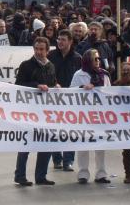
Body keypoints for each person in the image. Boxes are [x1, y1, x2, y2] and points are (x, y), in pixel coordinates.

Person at [14, 37, 57, 187]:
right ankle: (20, 176)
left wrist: (55, 85)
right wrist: (36, 85)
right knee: (26, 144)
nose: (38, 52)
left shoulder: (51, 66)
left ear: (47, 50)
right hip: (29, 111)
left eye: (41, 49)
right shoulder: (26, 65)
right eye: (36, 49)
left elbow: (51, 83)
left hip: (46, 112)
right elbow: (18, 85)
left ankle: (41, 176)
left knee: (46, 144)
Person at [72, 47, 111, 184]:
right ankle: (83, 173)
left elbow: (109, 94)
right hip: (84, 115)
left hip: (100, 115)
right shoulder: (79, 74)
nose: (98, 61)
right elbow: (70, 93)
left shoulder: (104, 75)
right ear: (88, 60)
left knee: (100, 145)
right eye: (95, 58)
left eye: (99, 58)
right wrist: (82, 89)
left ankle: (101, 173)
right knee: (83, 145)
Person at [49, 29, 82, 173]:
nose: (60, 42)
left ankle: (68, 161)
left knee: (70, 131)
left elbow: (82, 77)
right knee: (54, 130)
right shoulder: (51, 56)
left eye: (63, 39)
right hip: (54, 98)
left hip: (71, 100)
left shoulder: (77, 58)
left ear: (70, 42)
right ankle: (57, 159)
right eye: (59, 39)